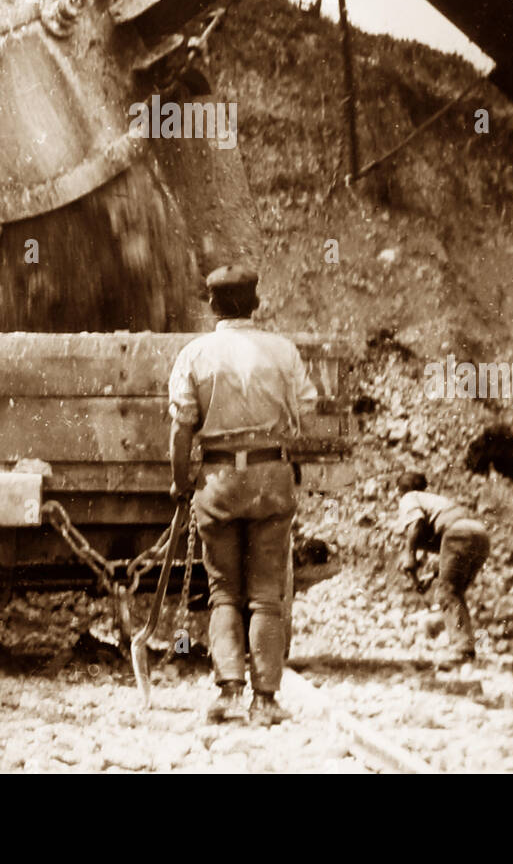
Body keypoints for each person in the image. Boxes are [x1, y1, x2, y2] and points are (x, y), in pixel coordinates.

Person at [168, 264, 317, 726]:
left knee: (224, 591)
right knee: (267, 594)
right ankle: (266, 700)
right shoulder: (283, 351)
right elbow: (307, 410)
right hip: (271, 476)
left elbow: (180, 428)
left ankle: (230, 691)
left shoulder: (194, 353)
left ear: (212, 305)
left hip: (217, 480)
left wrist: (181, 481)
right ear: (255, 303)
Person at [395, 473, 490, 666]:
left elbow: (415, 524)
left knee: (447, 592)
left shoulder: (409, 498)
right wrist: (430, 576)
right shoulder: (436, 502)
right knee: (455, 591)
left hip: (459, 533)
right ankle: (467, 650)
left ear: (400, 491)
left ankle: (462, 651)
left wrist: (409, 555)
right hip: (480, 535)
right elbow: (449, 552)